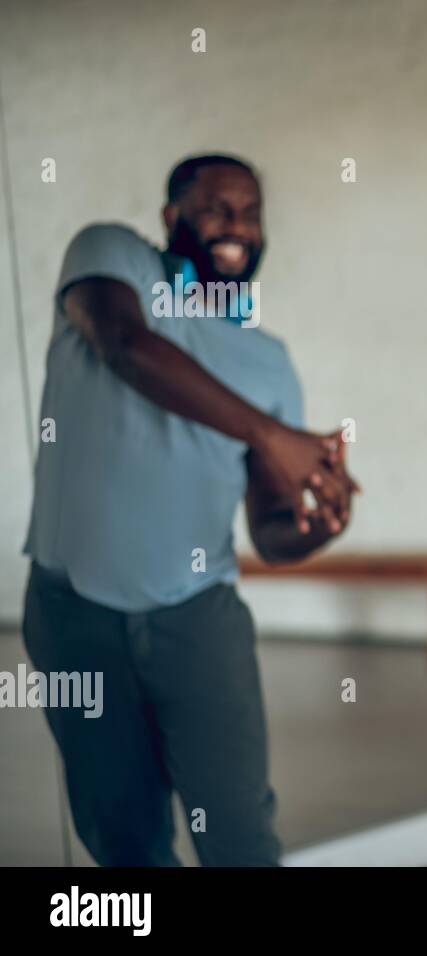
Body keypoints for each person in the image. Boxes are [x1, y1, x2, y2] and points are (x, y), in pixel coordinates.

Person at [21, 153, 359, 866]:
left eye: (249, 211)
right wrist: (270, 434)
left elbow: (268, 529)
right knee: (123, 840)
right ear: (172, 219)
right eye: (214, 208)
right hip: (73, 611)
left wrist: (311, 531)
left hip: (198, 617)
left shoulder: (269, 362)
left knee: (238, 836)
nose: (235, 225)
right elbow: (124, 347)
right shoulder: (111, 258)